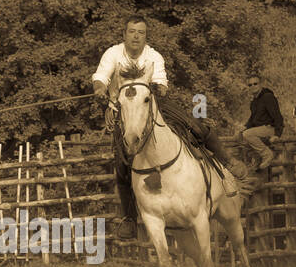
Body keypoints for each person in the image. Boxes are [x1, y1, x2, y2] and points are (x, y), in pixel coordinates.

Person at [92, 15, 252, 238]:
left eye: (141, 32)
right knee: (121, 165)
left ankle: (226, 161)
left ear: (145, 37)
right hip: (125, 114)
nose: (136, 36)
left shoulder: (154, 56)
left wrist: (159, 88)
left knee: (196, 126)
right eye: (132, 31)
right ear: (124, 34)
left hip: (155, 106)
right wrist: (100, 88)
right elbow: (100, 77)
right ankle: (129, 217)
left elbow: (160, 82)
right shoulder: (113, 53)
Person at [239, 72, 286, 171]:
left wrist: (277, 134)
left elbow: (278, 116)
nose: (253, 86)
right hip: (260, 129)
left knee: (247, 134)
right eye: (250, 85)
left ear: (260, 84)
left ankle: (267, 154)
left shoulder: (268, 97)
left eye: (255, 83)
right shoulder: (254, 101)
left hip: (270, 128)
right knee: (239, 136)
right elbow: (253, 119)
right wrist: (245, 126)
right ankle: (256, 159)